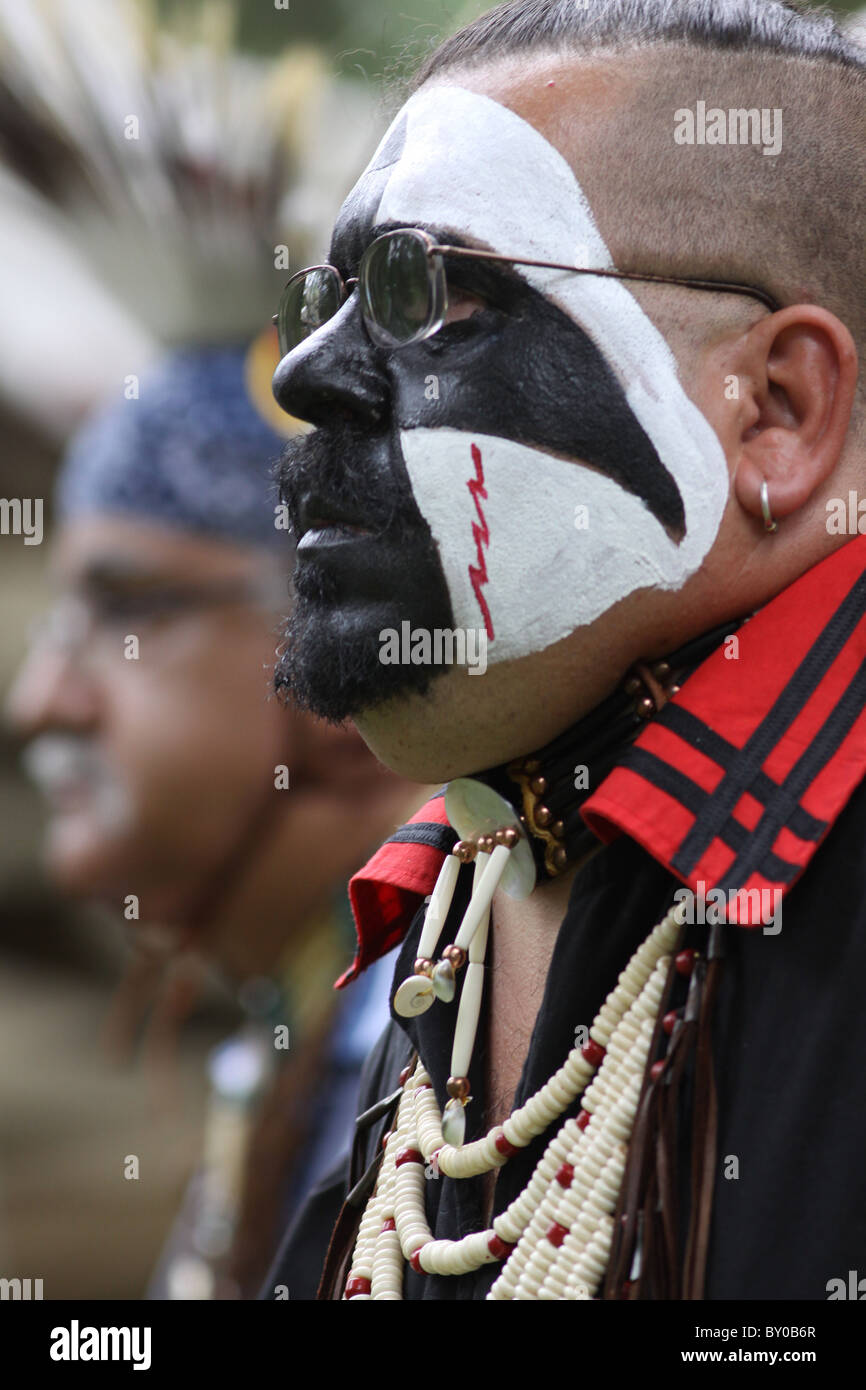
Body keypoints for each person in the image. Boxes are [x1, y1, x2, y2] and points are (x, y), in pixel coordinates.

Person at [264, 0, 866, 1300]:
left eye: (430, 294)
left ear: (773, 412)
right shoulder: (469, 886)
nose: (307, 372)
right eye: (328, 297)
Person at [6, 343, 423, 1299]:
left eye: (121, 608)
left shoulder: (471, 1041)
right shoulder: (319, 1029)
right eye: (56, 624)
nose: (41, 700)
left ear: (339, 625)